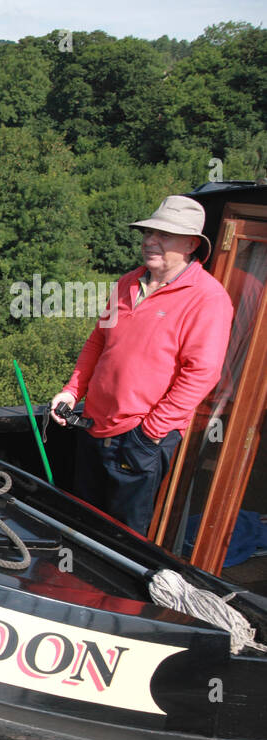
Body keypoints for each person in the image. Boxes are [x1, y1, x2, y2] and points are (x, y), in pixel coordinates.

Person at [49, 195, 233, 535]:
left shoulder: (207, 297)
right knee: (82, 527)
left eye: (164, 234)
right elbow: (98, 342)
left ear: (191, 244)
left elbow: (202, 372)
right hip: (93, 426)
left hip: (140, 439)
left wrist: (149, 432)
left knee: (123, 538)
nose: (150, 240)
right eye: (148, 232)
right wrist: (72, 391)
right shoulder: (128, 282)